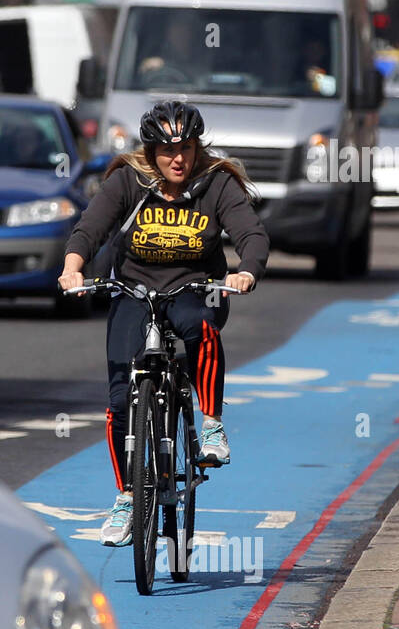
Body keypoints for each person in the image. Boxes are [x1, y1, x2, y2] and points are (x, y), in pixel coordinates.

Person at [58, 100, 269, 547]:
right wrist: (73, 266)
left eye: (187, 149)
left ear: (197, 148)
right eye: (167, 150)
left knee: (200, 328)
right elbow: (90, 228)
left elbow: (250, 233)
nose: (178, 159)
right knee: (119, 400)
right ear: (150, 151)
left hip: (196, 288)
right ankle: (127, 497)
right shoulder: (128, 181)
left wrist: (246, 269)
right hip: (135, 291)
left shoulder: (216, 184)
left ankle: (210, 424)